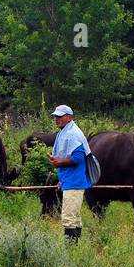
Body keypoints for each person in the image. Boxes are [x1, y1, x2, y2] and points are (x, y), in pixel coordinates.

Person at [47, 104, 91, 243]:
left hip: (75, 182)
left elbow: (78, 158)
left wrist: (59, 163)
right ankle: (75, 249)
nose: (57, 119)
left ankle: (70, 249)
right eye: (56, 116)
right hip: (70, 181)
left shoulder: (72, 134)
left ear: (69, 117)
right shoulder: (65, 132)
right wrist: (62, 179)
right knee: (74, 217)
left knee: (69, 217)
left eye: (60, 116)